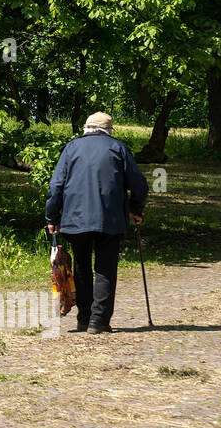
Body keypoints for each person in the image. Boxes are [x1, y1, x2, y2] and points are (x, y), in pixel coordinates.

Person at [44, 112, 147, 334]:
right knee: (105, 268)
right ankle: (98, 321)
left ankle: (84, 318)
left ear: (86, 128)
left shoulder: (71, 148)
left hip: (75, 218)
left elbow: (56, 186)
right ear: (108, 130)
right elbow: (138, 183)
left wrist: (52, 217)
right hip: (109, 219)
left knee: (81, 266)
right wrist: (135, 209)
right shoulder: (118, 148)